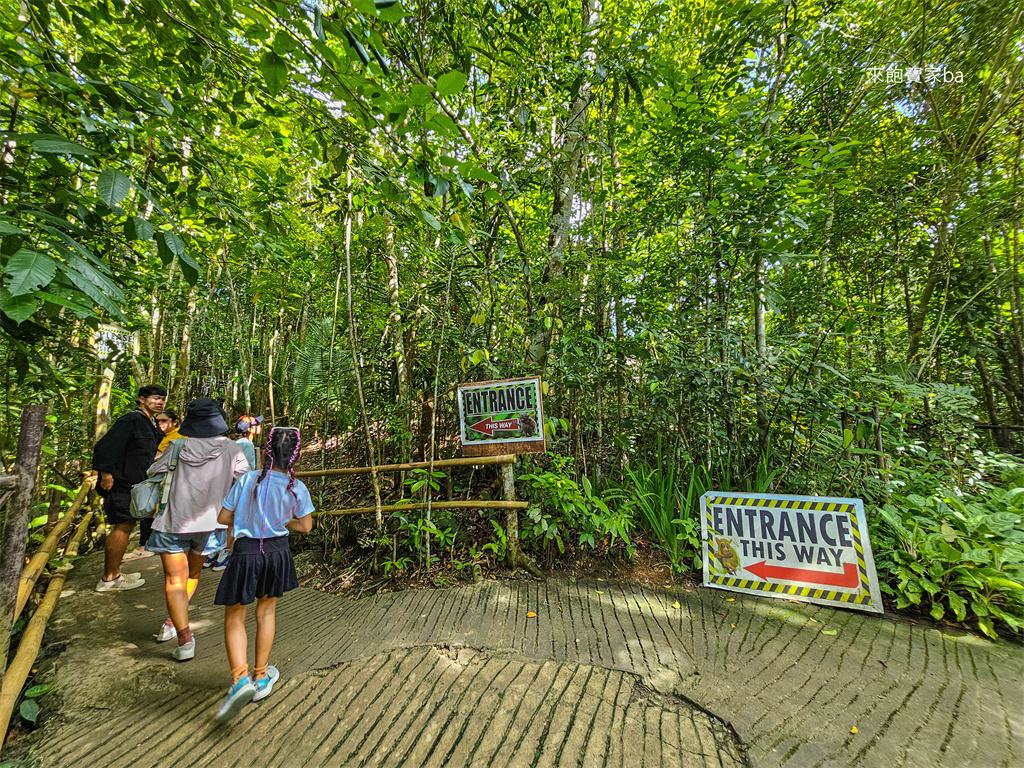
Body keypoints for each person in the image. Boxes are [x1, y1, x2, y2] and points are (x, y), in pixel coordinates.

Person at [213, 426, 314, 721]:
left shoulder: (247, 481)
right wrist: (282, 522)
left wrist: (247, 516)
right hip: (277, 552)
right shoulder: (297, 487)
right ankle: (260, 676)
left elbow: (222, 518)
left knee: (235, 615)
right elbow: (306, 526)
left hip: (245, 553)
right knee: (266, 612)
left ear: (266, 452)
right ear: (293, 456)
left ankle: (239, 679)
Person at [145, 398, 249, 661]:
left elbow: (153, 471)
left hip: (174, 521)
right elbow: (244, 484)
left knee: (173, 580)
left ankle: (183, 637)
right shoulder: (233, 449)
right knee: (192, 575)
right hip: (211, 524)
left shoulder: (178, 445)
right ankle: (172, 622)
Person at [91, 384, 166, 591]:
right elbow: (105, 447)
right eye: (155, 398)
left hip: (135, 486)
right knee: (122, 527)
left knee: (127, 525)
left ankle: (115, 573)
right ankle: (109, 579)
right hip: (120, 484)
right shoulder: (131, 420)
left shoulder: (149, 423)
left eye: (162, 399)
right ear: (142, 399)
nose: (159, 402)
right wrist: (106, 475)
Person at [204, 414, 263, 571]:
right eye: (257, 424)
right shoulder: (247, 446)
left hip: (222, 487)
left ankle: (211, 555)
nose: (260, 427)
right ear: (250, 430)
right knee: (231, 521)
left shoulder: (233, 443)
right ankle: (223, 556)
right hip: (235, 489)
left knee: (220, 520)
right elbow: (247, 471)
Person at [125, 408, 185, 562]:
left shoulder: (178, 436)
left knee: (153, 510)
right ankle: (149, 543)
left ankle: (145, 546)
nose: (160, 424)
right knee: (154, 510)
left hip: (168, 480)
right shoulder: (161, 436)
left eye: (164, 421)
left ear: (175, 422)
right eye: (158, 421)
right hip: (162, 479)